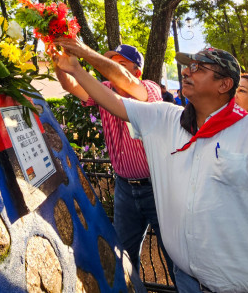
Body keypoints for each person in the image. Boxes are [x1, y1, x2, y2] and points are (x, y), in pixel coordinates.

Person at [53, 47, 248, 293]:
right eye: (189, 65)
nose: (187, 71)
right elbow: (112, 101)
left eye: (199, 68)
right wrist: (75, 68)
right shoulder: (165, 118)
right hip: (188, 282)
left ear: (224, 84)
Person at [51, 38, 177, 281]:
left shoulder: (147, 88)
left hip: (157, 187)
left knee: (174, 255)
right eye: (109, 62)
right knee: (124, 254)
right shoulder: (103, 90)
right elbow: (70, 85)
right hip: (124, 188)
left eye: (119, 64)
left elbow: (128, 82)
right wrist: (59, 61)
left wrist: (85, 53)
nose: (109, 67)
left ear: (136, 71)